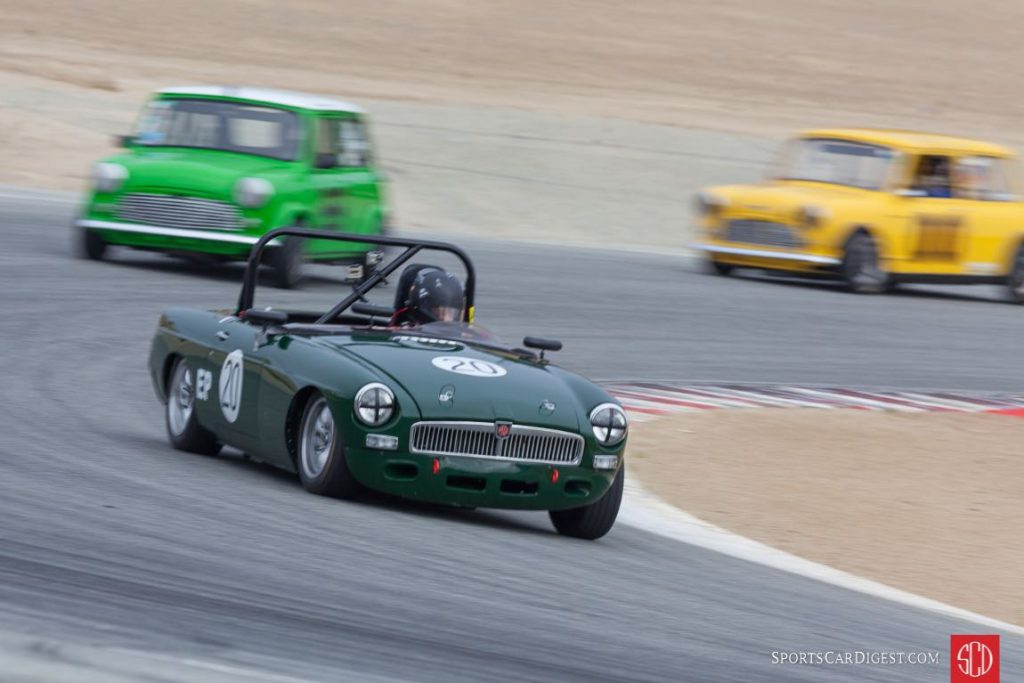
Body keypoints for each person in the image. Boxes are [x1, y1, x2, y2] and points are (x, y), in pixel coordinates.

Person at [391, 265, 465, 326]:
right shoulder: (401, 332)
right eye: (438, 312)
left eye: (450, 312)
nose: (446, 319)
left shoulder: (464, 338)